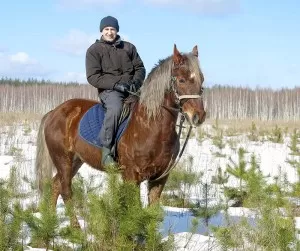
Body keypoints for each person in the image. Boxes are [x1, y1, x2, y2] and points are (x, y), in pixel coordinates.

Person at [85, 15, 146, 167]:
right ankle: (106, 150)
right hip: (109, 91)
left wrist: (136, 83)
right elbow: (93, 77)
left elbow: (140, 68)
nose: (109, 32)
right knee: (116, 108)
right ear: (101, 31)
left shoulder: (129, 47)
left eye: (112, 29)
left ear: (117, 30)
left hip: (132, 88)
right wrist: (117, 85)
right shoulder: (94, 50)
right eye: (106, 29)